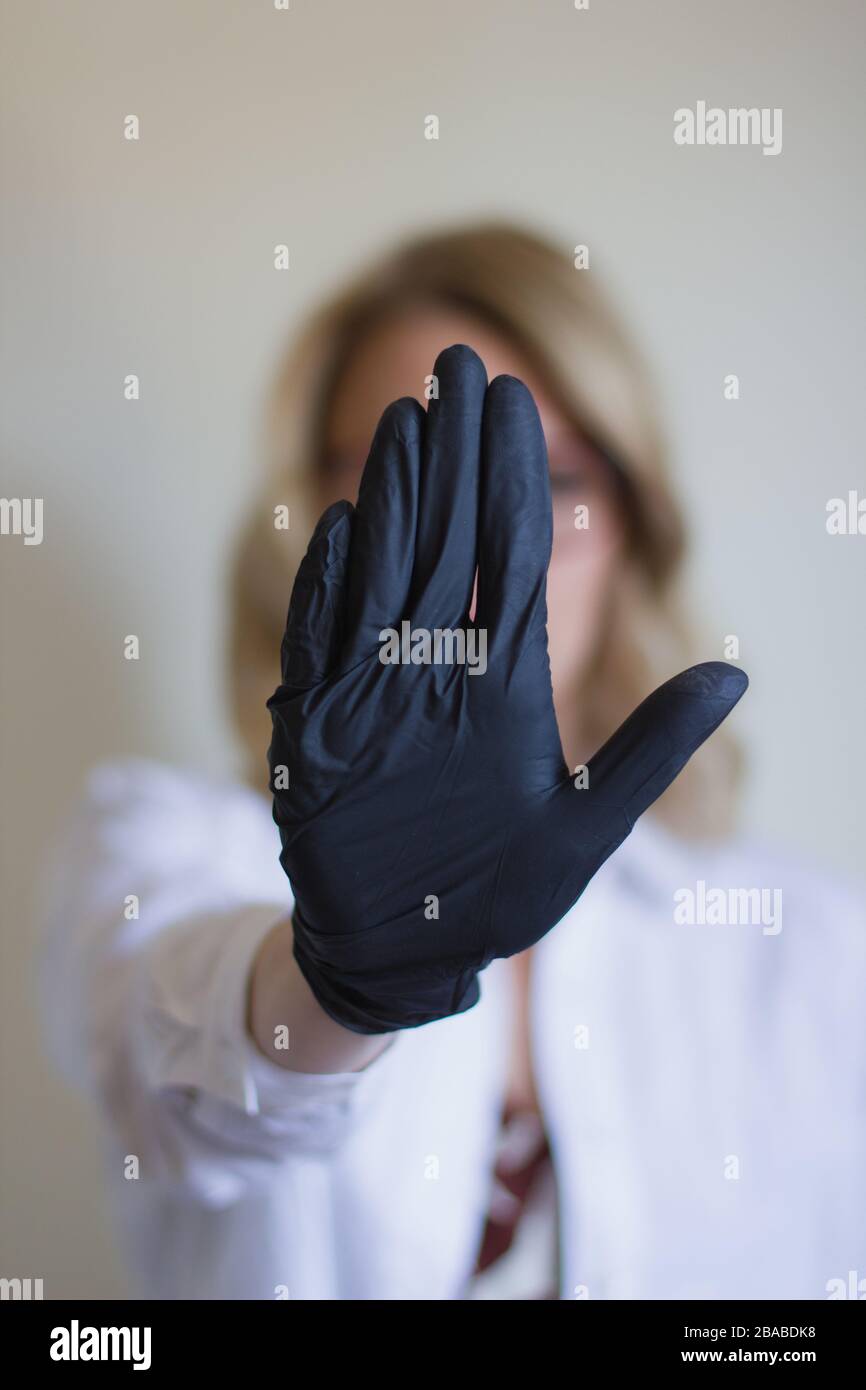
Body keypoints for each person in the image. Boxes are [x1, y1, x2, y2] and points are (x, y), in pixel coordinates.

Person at [42, 222, 865, 1301]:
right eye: (415, 471)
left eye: (551, 480)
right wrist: (340, 985)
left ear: (630, 528)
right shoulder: (163, 840)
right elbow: (171, 1079)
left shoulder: (809, 951)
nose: (484, 543)